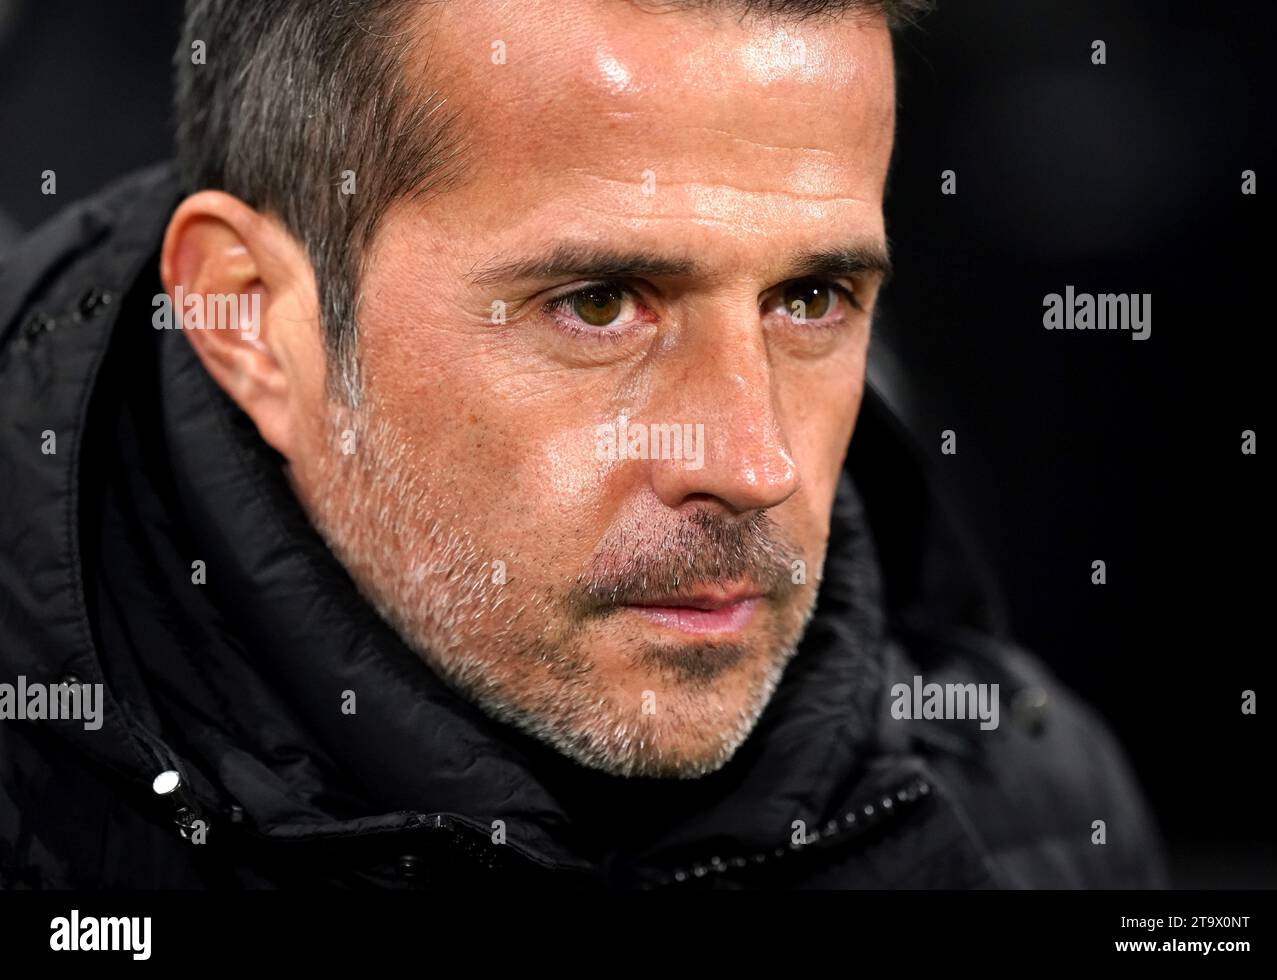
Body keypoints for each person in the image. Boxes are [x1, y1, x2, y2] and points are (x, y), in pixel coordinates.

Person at [0, 0, 1165, 888]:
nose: (750, 461)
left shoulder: (1034, 812)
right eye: (601, 303)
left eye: (809, 298)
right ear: (251, 316)